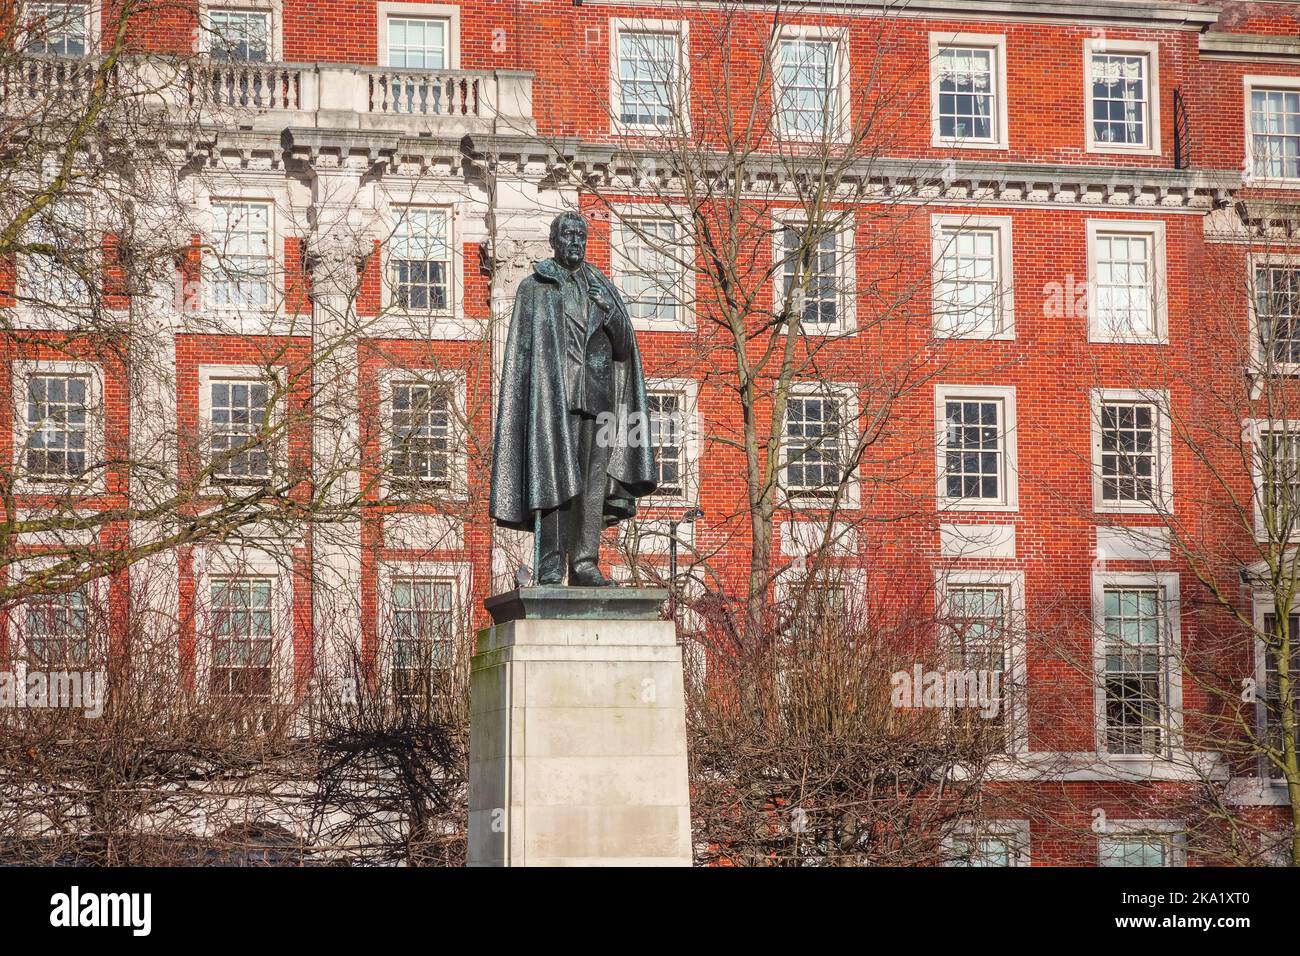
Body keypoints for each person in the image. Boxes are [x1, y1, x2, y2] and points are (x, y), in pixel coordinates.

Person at [489, 212, 658, 586]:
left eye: (580, 235)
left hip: (599, 400)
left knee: (593, 483)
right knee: (552, 480)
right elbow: (521, 357)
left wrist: (612, 314)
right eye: (567, 234)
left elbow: (626, 349)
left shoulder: (601, 285)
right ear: (554, 240)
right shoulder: (534, 288)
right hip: (552, 400)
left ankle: (584, 563)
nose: (575, 241)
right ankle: (550, 564)